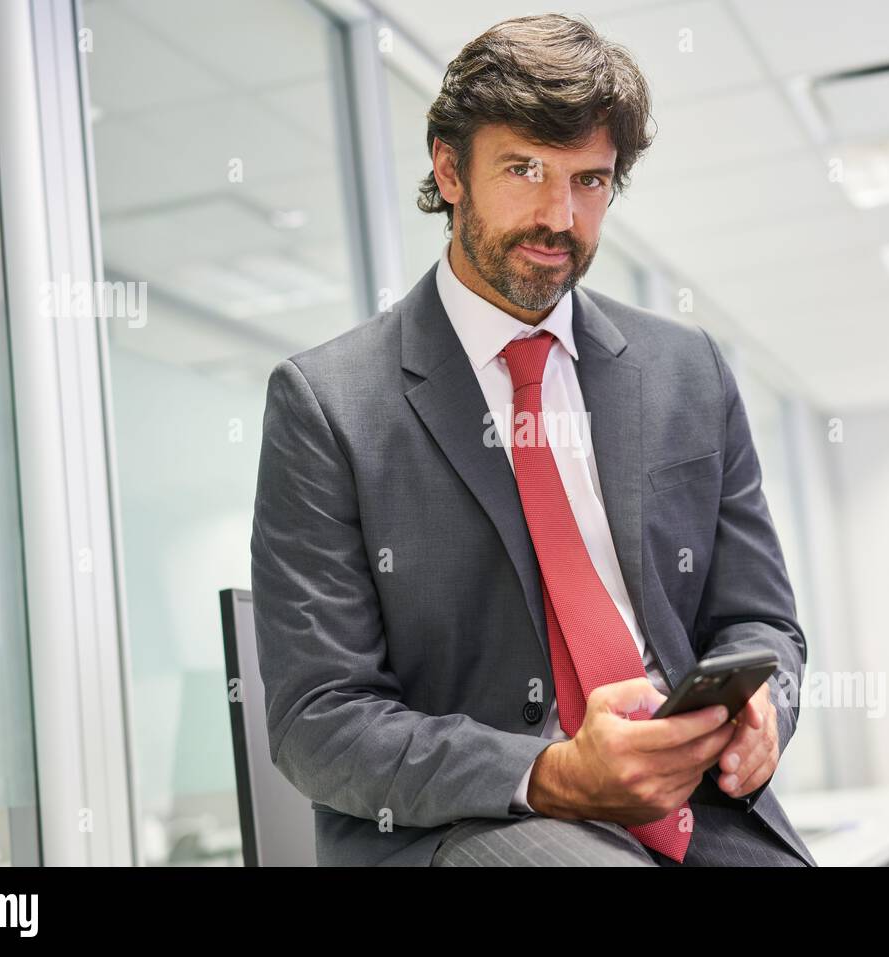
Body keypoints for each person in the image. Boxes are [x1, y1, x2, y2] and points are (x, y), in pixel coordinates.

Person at [251, 13, 816, 867]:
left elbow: (759, 618)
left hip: (704, 811)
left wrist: (762, 706)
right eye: (524, 170)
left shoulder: (687, 369)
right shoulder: (328, 405)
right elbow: (318, 719)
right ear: (450, 170)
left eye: (590, 181)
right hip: (477, 825)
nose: (560, 216)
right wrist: (552, 773)